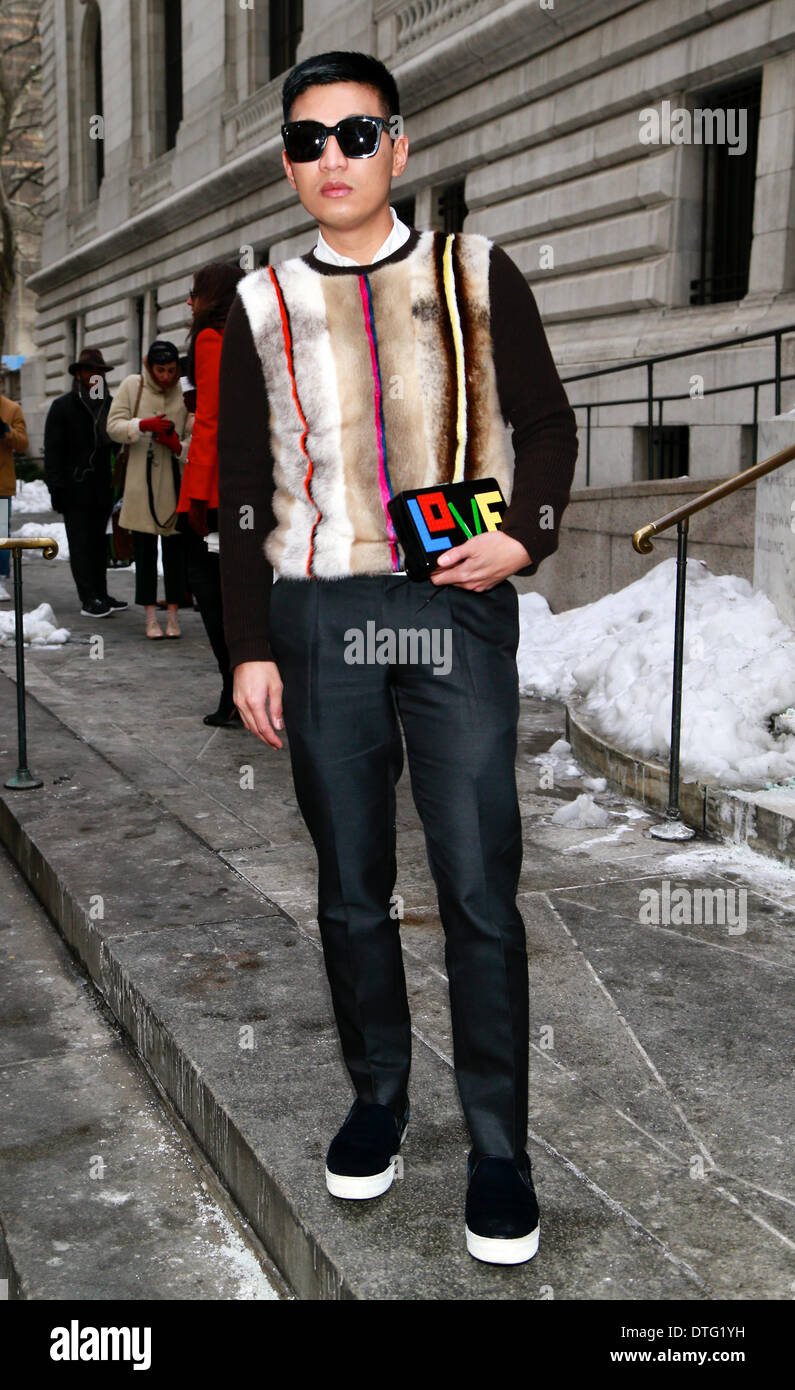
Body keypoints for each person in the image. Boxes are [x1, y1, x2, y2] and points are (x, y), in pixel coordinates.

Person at [217, 51, 578, 1266]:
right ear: (286, 161)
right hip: (321, 616)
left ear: (400, 149)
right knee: (350, 884)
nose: (333, 159)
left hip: (451, 604)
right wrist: (251, 645)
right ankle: (378, 1100)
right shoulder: (256, 303)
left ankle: (498, 1152)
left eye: (356, 135)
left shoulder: (476, 271)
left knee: (478, 882)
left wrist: (523, 540)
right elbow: (239, 493)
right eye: (310, 140)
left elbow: (548, 422)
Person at [176, 261, 245, 723]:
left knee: (214, 593)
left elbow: (212, 420)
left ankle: (235, 693)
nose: (188, 301)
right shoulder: (256, 330)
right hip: (256, 486)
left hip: (218, 490)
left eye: (194, 291)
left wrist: (195, 497)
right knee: (248, 593)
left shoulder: (208, 336)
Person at [107, 341, 190, 639]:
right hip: (141, 484)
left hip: (176, 483)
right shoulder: (133, 385)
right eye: (160, 370)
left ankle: (173, 615)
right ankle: (150, 618)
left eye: (171, 370)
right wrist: (142, 424)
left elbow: (197, 431)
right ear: (149, 366)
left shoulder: (184, 388)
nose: (166, 376)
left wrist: (177, 445)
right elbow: (113, 425)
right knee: (144, 553)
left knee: (175, 553)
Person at [43, 348, 126, 618]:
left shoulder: (109, 405)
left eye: (100, 373)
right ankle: (88, 597)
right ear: (79, 374)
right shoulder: (63, 407)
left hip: (102, 487)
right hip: (73, 488)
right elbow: (53, 452)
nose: (96, 377)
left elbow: (116, 445)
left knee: (99, 544)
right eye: (91, 372)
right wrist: (57, 489)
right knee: (80, 545)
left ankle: (101, 593)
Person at [0, 367, 29, 599]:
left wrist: (6, 432)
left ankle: (0, 579)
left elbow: (22, 444)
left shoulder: (11, 409)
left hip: (1, 481)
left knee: (0, 531)